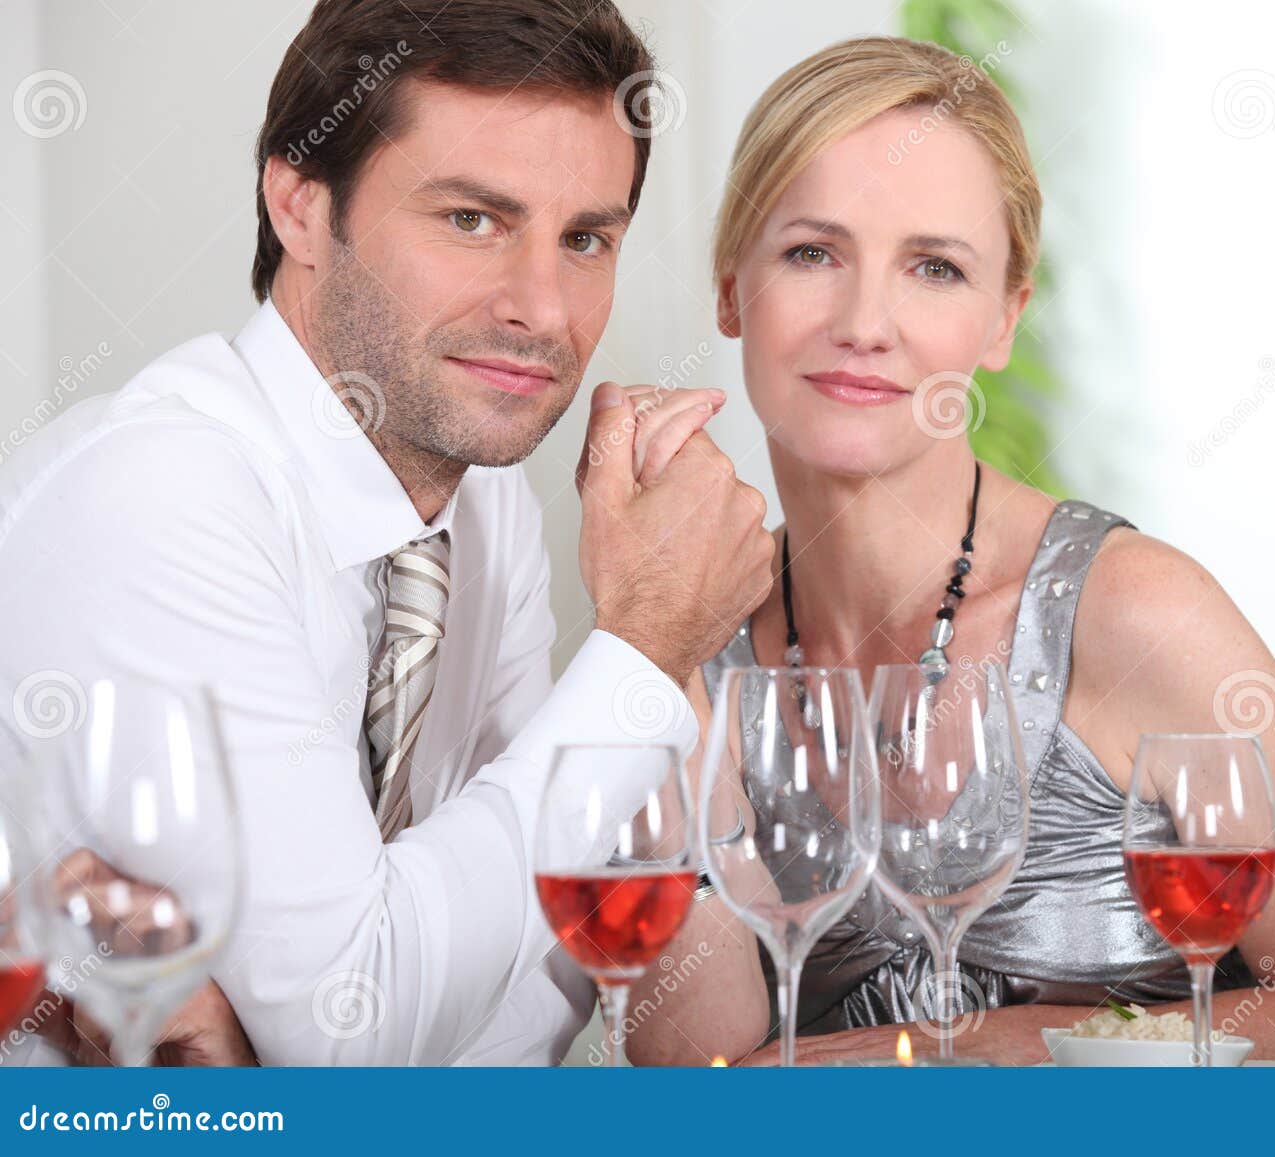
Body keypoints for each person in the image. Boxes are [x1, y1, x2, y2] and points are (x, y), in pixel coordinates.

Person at [626, 36, 1275, 1066]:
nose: (864, 320)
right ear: (731, 288)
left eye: (934, 267)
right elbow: (701, 1086)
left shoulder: (1138, 615)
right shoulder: (691, 644)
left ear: (1003, 317)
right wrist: (654, 659)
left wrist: (957, 1049)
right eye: (812, 252)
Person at [0, 0, 772, 1065]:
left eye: (585, 238)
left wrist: (328, 1019)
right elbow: (352, 1031)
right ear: (300, 206)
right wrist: (643, 642)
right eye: (471, 220)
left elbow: (533, 985)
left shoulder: (478, 495)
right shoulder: (164, 491)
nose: (542, 310)